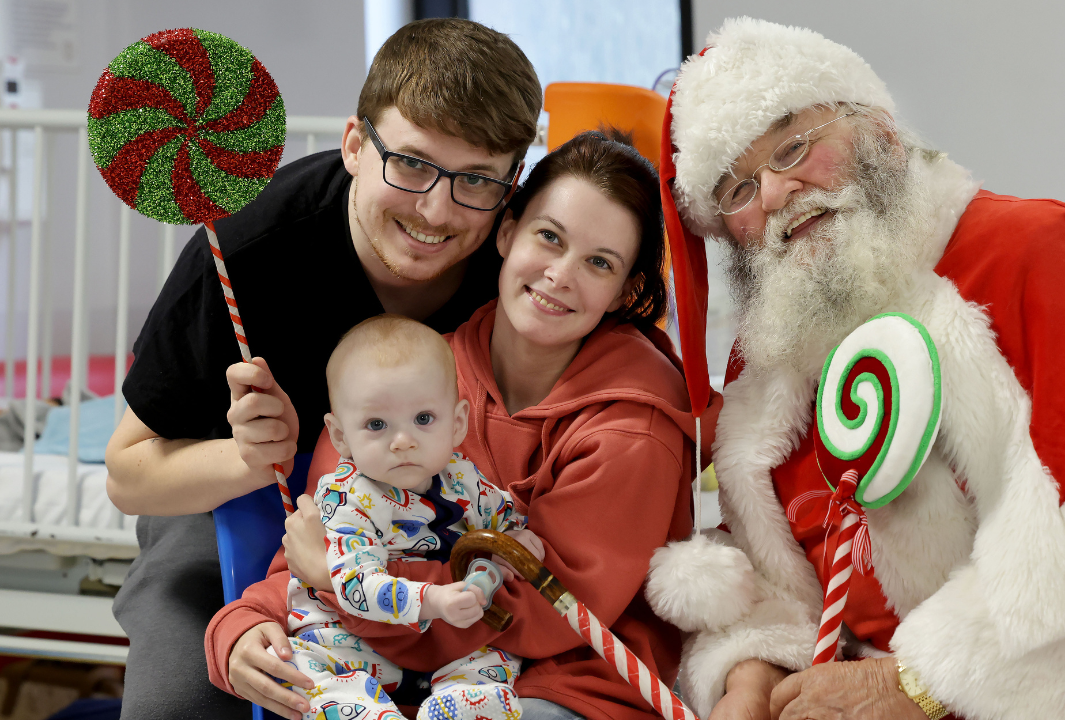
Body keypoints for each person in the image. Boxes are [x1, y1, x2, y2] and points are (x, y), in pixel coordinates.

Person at [644, 17, 1065, 720]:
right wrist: (750, 677)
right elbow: (778, 594)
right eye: (736, 189)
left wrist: (921, 684)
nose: (773, 192)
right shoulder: (765, 372)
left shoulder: (1039, 254)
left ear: (883, 136)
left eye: (794, 147)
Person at [103, 18, 541, 720]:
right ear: (355, 145)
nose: (437, 209)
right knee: (178, 699)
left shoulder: (523, 260)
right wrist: (251, 459)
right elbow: (129, 475)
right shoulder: (245, 251)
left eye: (478, 180)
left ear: (511, 183)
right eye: (412, 164)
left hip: (445, 521)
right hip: (238, 503)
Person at [207, 130, 721, 720]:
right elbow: (319, 545)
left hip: (561, 679)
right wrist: (245, 625)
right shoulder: (409, 381)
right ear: (507, 232)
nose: (559, 275)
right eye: (548, 237)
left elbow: (538, 616)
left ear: (625, 291)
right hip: (384, 661)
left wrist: (342, 586)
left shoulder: (634, 428)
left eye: (598, 262)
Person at [279, 315, 543, 719]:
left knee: (493, 659)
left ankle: (460, 706)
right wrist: (433, 599)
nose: (403, 442)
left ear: (456, 424)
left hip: (444, 639)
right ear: (340, 437)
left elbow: (499, 517)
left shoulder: (461, 476)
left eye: (423, 419)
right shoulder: (346, 499)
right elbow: (353, 585)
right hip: (347, 638)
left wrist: (514, 540)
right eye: (377, 424)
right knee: (314, 676)